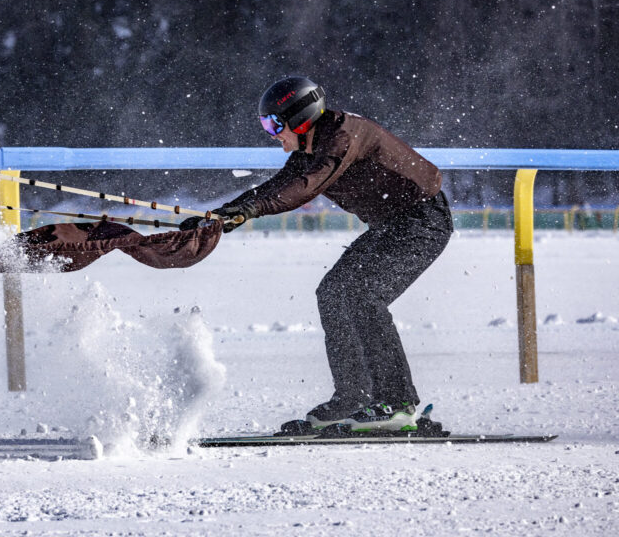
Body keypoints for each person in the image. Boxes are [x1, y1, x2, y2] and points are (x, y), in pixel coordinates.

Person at [184, 76, 453, 432]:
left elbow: (304, 187)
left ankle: (398, 402)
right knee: (333, 292)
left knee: (362, 295)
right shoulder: (311, 146)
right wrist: (220, 216)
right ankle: (354, 397)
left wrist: (249, 211)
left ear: (300, 118)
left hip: (422, 222)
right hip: (391, 226)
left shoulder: (341, 138)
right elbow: (279, 185)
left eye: (274, 124)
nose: (271, 134)